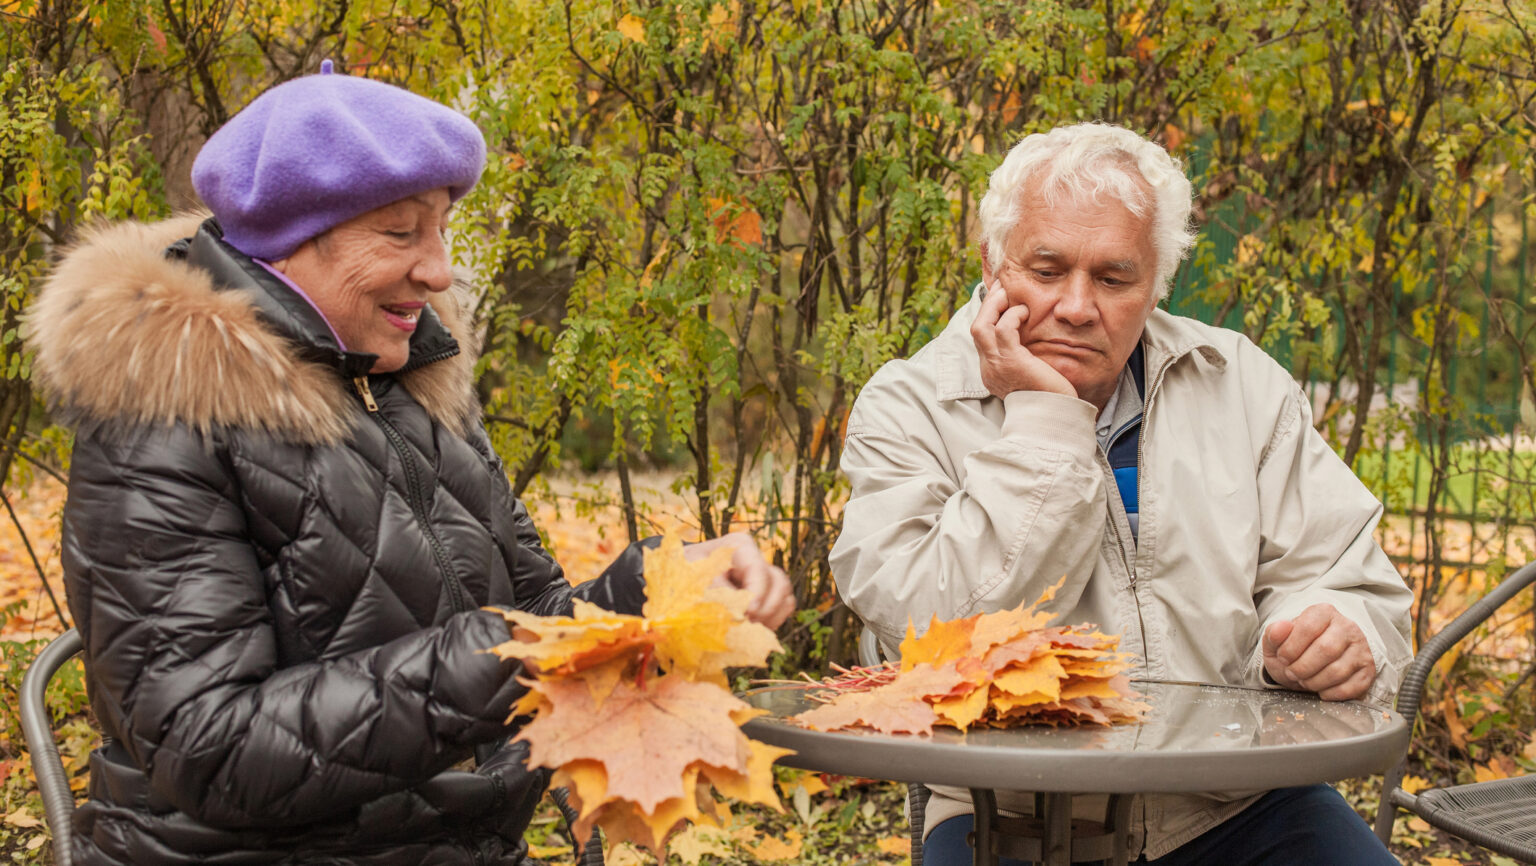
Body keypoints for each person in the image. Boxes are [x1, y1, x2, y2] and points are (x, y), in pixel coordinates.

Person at [28, 62, 794, 865]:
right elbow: (213, 752)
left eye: (440, 229)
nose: (439, 269)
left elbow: (536, 610)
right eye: (400, 234)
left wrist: (653, 594)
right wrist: (530, 651)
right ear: (288, 243)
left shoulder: (413, 384)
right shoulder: (165, 418)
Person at [829, 122, 1413, 866]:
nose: (1077, 307)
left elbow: (1345, 574)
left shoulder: (1238, 383)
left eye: (1113, 279)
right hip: (1009, 816)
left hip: (1234, 801)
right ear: (991, 263)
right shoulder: (908, 407)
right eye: (1047, 270)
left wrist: (1330, 631)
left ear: (1156, 285)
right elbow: (929, 631)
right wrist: (1046, 424)